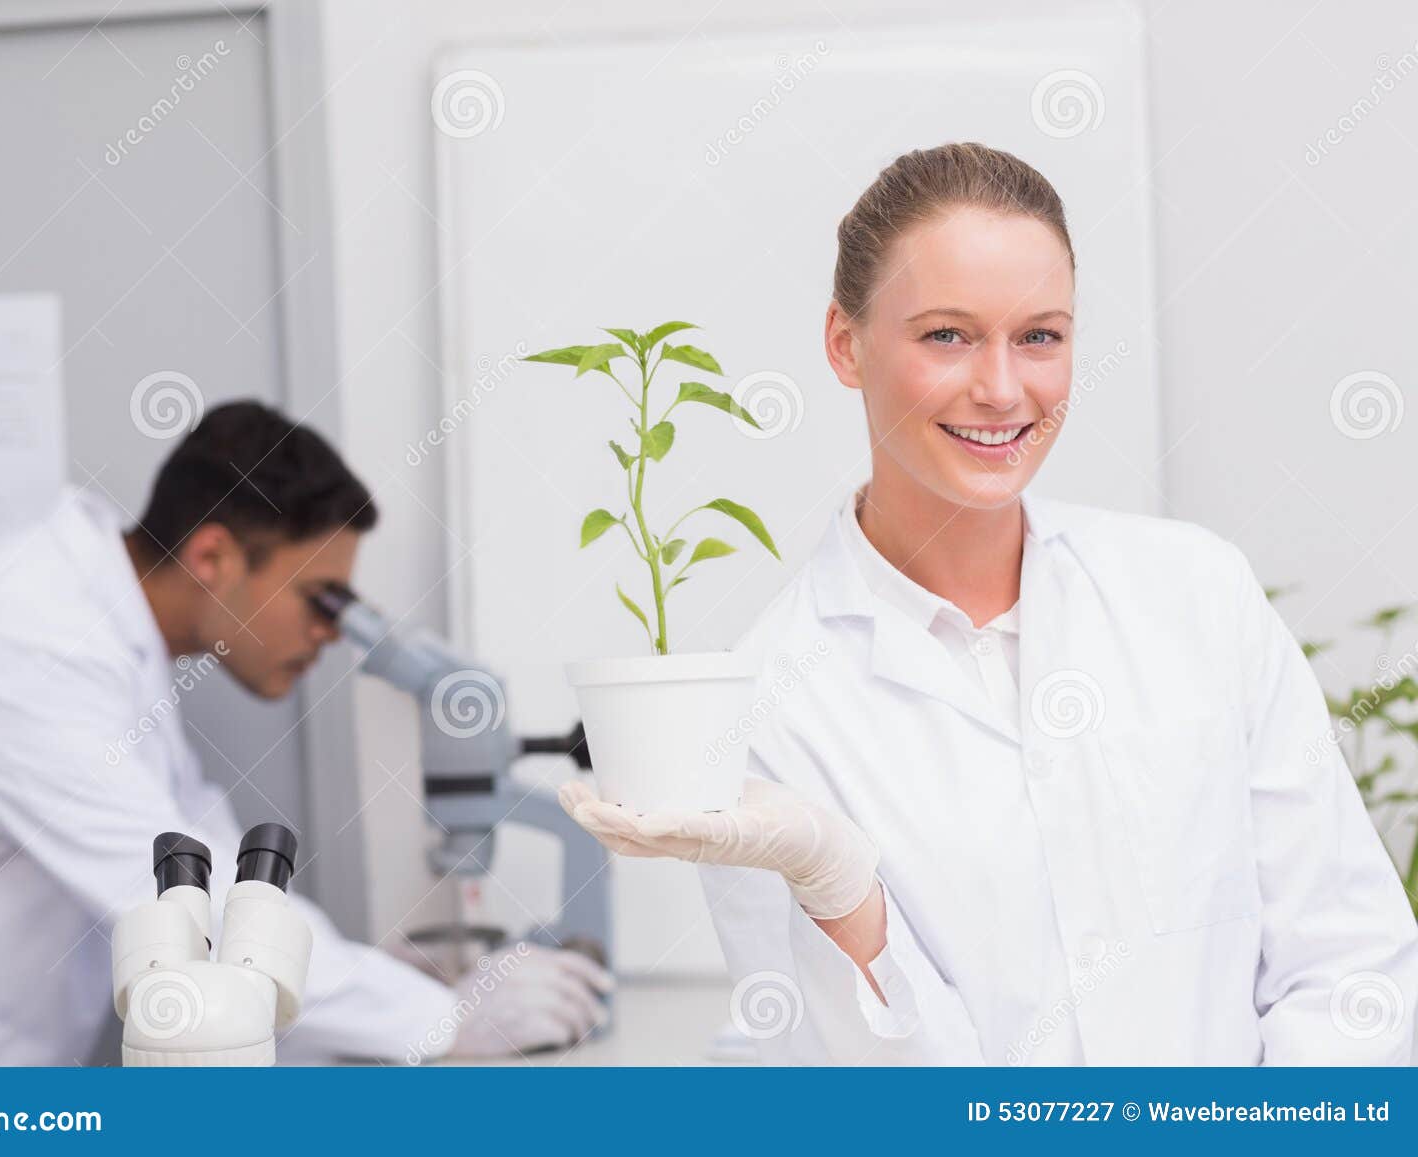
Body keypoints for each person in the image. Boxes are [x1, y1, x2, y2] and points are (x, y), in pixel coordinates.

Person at [560, 142, 1418, 1065]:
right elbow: (864, 1099)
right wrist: (842, 890)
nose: (1003, 390)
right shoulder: (770, 701)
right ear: (846, 344)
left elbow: (1349, 963)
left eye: (1040, 336)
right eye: (947, 335)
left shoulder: (1197, 593)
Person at [0, 401, 609, 1064]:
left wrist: (378, 980)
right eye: (320, 598)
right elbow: (185, 916)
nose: (330, 634)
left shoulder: (109, 634)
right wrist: (442, 1020)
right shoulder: (33, 648)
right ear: (212, 555)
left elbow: (216, 870)